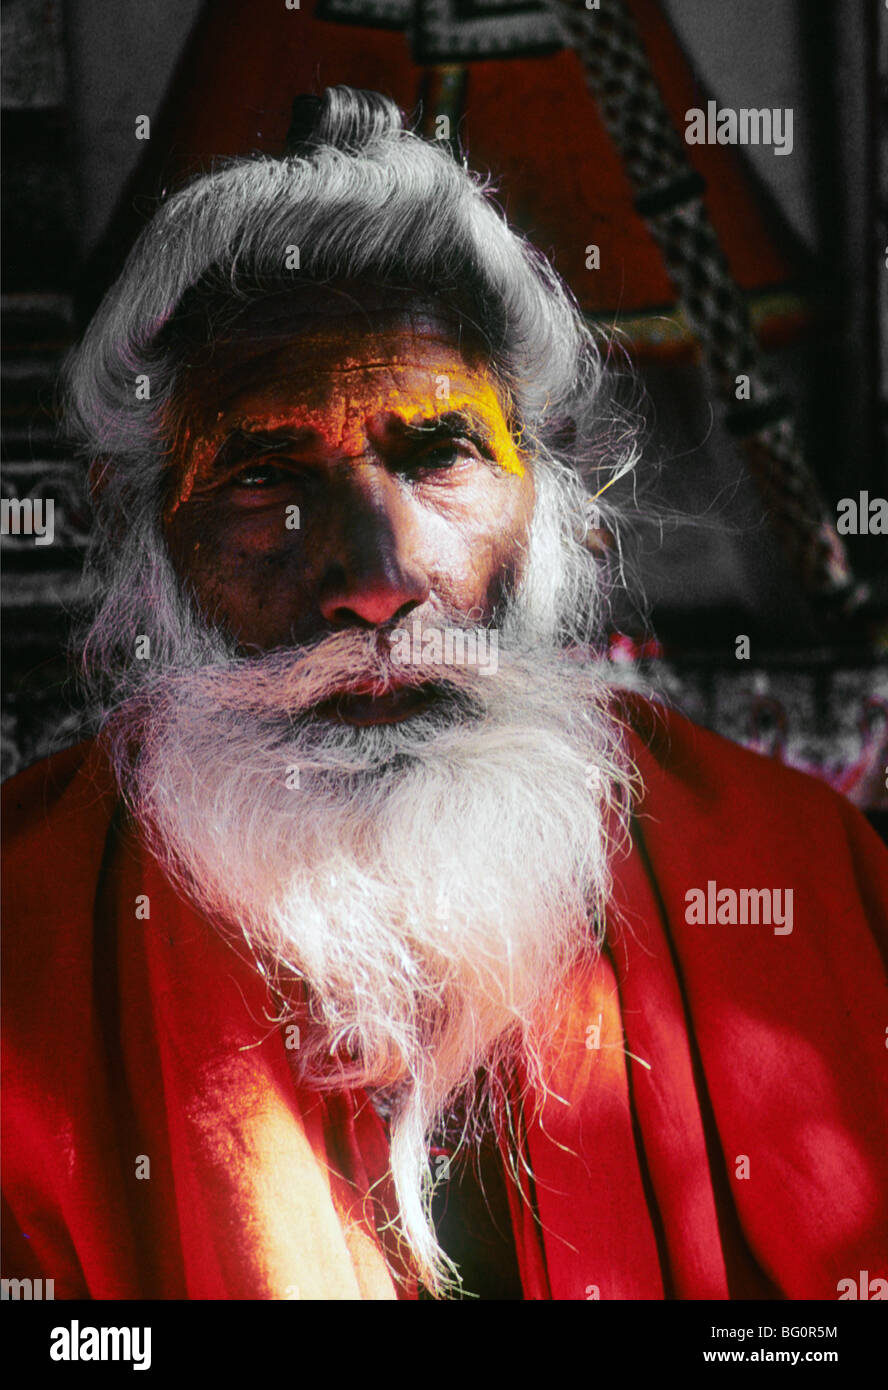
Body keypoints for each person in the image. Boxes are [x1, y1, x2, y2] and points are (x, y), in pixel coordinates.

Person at [3, 86, 886, 1302]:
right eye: (266, 473)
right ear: (136, 525)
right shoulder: (22, 939)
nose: (377, 581)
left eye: (439, 453)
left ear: (555, 496)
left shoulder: (811, 878)